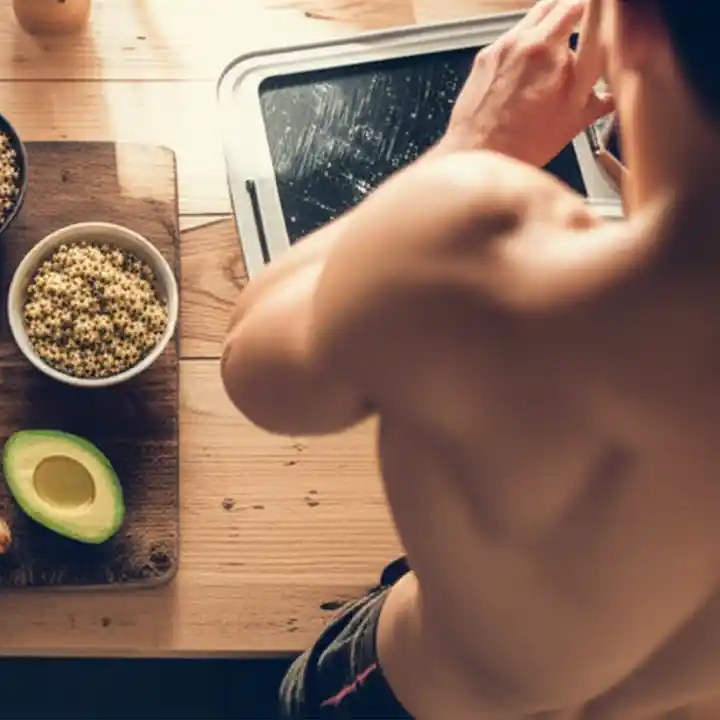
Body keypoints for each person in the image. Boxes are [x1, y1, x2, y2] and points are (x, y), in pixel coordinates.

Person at [222, 0, 720, 717]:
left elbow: (256, 370)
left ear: (631, 23)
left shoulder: (474, 249)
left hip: (429, 693)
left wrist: (473, 148)